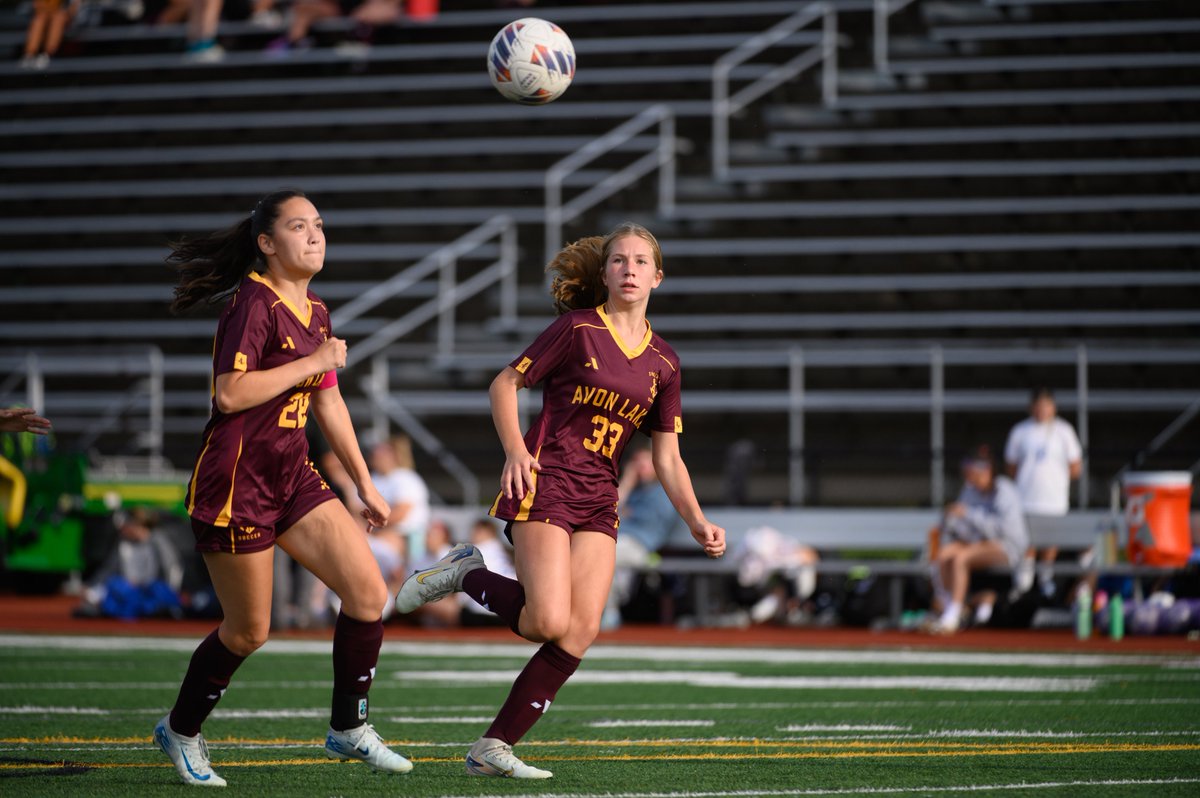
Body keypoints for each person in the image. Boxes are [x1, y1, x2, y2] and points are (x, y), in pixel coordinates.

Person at [394, 222, 726, 779]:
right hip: (546, 481)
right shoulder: (576, 329)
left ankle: (492, 746)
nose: (629, 269)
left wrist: (696, 519)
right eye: (618, 260)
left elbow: (667, 458)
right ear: (605, 273)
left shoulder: (664, 362)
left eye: (640, 262)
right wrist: (515, 451)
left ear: (657, 278)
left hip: (600, 497)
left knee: (580, 630)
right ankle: (465, 573)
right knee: (545, 621)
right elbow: (504, 384)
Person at [155, 189, 411, 787]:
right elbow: (230, 394)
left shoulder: (316, 309)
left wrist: (364, 484)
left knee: (368, 594)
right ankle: (181, 730)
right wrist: (313, 361)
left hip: (293, 475)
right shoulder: (252, 303)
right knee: (249, 631)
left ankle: (348, 728)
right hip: (236, 482)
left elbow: (329, 401)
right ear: (267, 243)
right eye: (299, 226)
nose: (315, 234)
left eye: (318, 224)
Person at [927, 444, 1029, 634]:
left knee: (961, 558)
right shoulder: (970, 490)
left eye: (975, 472)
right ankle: (951, 607)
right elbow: (966, 530)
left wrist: (969, 515)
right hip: (978, 544)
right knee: (944, 554)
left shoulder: (1004, 490)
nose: (972, 478)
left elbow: (1003, 530)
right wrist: (952, 520)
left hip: (1007, 547)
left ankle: (953, 615)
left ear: (987, 470)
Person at [1004, 387, 1084, 598]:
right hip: (1026, 498)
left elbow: (1076, 467)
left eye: (1046, 406)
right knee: (1026, 540)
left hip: (1054, 499)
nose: (1042, 410)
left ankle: (1045, 577)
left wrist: (1055, 478)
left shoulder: (1064, 431)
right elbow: (1011, 467)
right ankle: (1023, 582)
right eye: (1038, 406)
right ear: (1031, 408)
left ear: (1053, 407)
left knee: (1051, 540)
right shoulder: (1020, 431)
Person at [602, 445, 679, 629]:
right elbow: (608, 510)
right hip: (619, 542)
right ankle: (605, 610)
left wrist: (627, 513)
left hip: (645, 549)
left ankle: (609, 611)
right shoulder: (634, 491)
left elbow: (653, 526)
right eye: (636, 463)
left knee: (605, 555)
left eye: (645, 463)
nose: (640, 468)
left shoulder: (664, 491)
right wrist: (627, 482)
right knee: (597, 552)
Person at [75, 507, 184, 620]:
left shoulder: (157, 541)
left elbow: (173, 568)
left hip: (150, 589)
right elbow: (109, 569)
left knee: (158, 592)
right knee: (114, 586)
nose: (123, 530)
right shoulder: (123, 543)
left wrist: (171, 589)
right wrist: (92, 585)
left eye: (127, 525)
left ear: (136, 525)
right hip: (129, 589)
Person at [18, 0, 77, 70]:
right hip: (45, 14)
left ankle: (46, 55)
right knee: (39, 20)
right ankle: (29, 55)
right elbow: (36, 6)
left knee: (58, 18)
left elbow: (72, 8)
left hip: (64, 16)